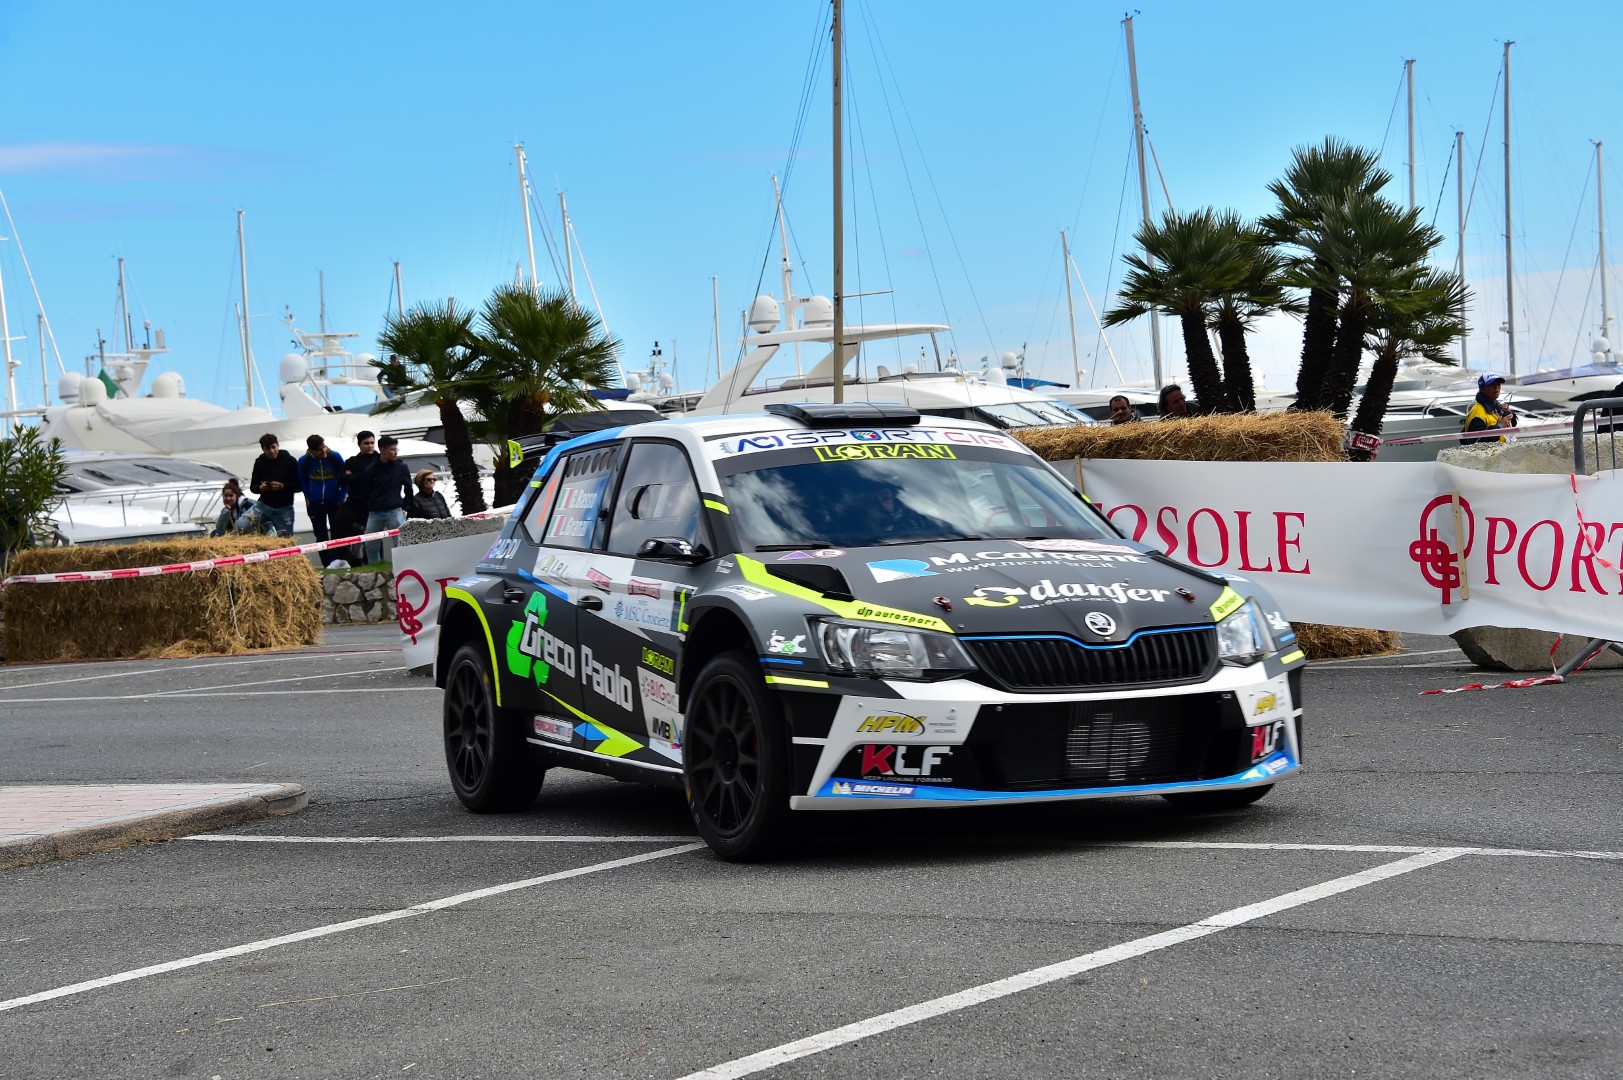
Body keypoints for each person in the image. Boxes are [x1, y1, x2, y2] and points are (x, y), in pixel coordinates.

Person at [362, 435, 414, 564]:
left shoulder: (401, 468)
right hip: (374, 513)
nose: (395, 452)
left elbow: (409, 489)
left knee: (401, 544)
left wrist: (406, 507)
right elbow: (364, 492)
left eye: (396, 449)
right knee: (371, 546)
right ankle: (375, 569)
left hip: (394, 511)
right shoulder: (370, 470)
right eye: (392, 450)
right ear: (382, 450)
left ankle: (405, 567)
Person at [298, 434, 347, 565]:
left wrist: (341, 496)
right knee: (321, 536)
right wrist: (307, 497)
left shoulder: (334, 456)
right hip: (315, 503)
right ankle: (327, 564)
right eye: (319, 449)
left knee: (337, 534)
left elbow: (345, 477)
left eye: (324, 447)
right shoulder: (304, 460)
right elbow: (302, 479)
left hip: (334, 500)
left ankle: (339, 562)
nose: (323, 451)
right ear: (312, 450)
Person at [335, 430, 380, 563]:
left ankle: (375, 562)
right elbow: (341, 479)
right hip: (355, 501)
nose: (370, 446)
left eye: (372, 443)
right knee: (339, 520)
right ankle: (345, 559)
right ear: (359, 444)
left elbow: (375, 479)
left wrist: (353, 476)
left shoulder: (379, 460)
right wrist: (361, 477)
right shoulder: (352, 461)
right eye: (366, 443)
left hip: (372, 503)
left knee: (374, 536)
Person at [248, 433, 299, 536]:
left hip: (284, 507)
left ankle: (268, 529)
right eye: (268, 449)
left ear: (278, 445)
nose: (271, 451)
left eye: (273, 447)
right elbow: (253, 487)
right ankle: (267, 528)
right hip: (264, 504)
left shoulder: (290, 461)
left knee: (286, 540)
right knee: (242, 525)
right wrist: (261, 488)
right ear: (263, 449)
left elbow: (299, 486)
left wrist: (283, 486)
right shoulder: (259, 462)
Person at [1463, 372, 1518, 443]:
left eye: (1498, 384)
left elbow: (1511, 425)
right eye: (1492, 384)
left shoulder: (1496, 406)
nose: (1496, 387)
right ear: (1482, 388)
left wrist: (1509, 414)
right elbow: (1475, 441)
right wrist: (1499, 426)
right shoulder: (1477, 413)